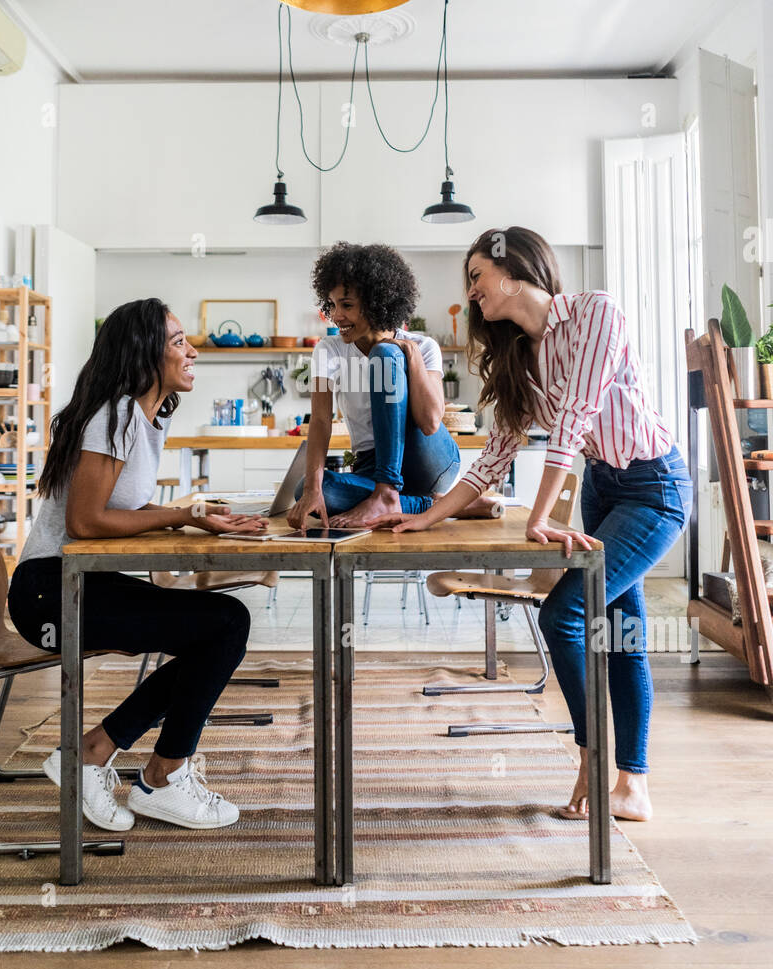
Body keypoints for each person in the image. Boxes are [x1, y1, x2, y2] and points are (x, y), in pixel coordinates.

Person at [388, 227, 692, 823]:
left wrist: (540, 519)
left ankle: (593, 755)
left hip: (654, 487)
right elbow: (493, 458)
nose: (471, 291)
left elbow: (575, 417)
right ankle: (632, 785)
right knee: (619, 634)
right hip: (606, 488)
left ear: (512, 270)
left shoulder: (595, 314)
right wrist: (427, 518)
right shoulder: (517, 355)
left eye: (476, 277)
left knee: (564, 613)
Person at [7, 298, 268, 834]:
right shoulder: (116, 413)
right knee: (224, 624)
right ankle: (156, 778)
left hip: (79, 584)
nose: (192, 351)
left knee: (222, 625)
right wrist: (182, 514)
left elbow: (118, 511)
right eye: (178, 342)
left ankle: (109, 757)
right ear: (145, 353)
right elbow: (85, 522)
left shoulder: (141, 418)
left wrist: (196, 517)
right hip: (50, 595)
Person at [288, 242, 491, 531]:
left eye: (346, 305)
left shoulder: (423, 346)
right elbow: (321, 420)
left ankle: (387, 493)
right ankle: (436, 505)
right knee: (314, 491)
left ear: (375, 304)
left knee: (385, 353)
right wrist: (312, 489)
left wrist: (412, 359)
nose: (336, 316)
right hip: (370, 463)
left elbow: (431, 422)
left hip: (427, 458)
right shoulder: (328, 349)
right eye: (332, 305)